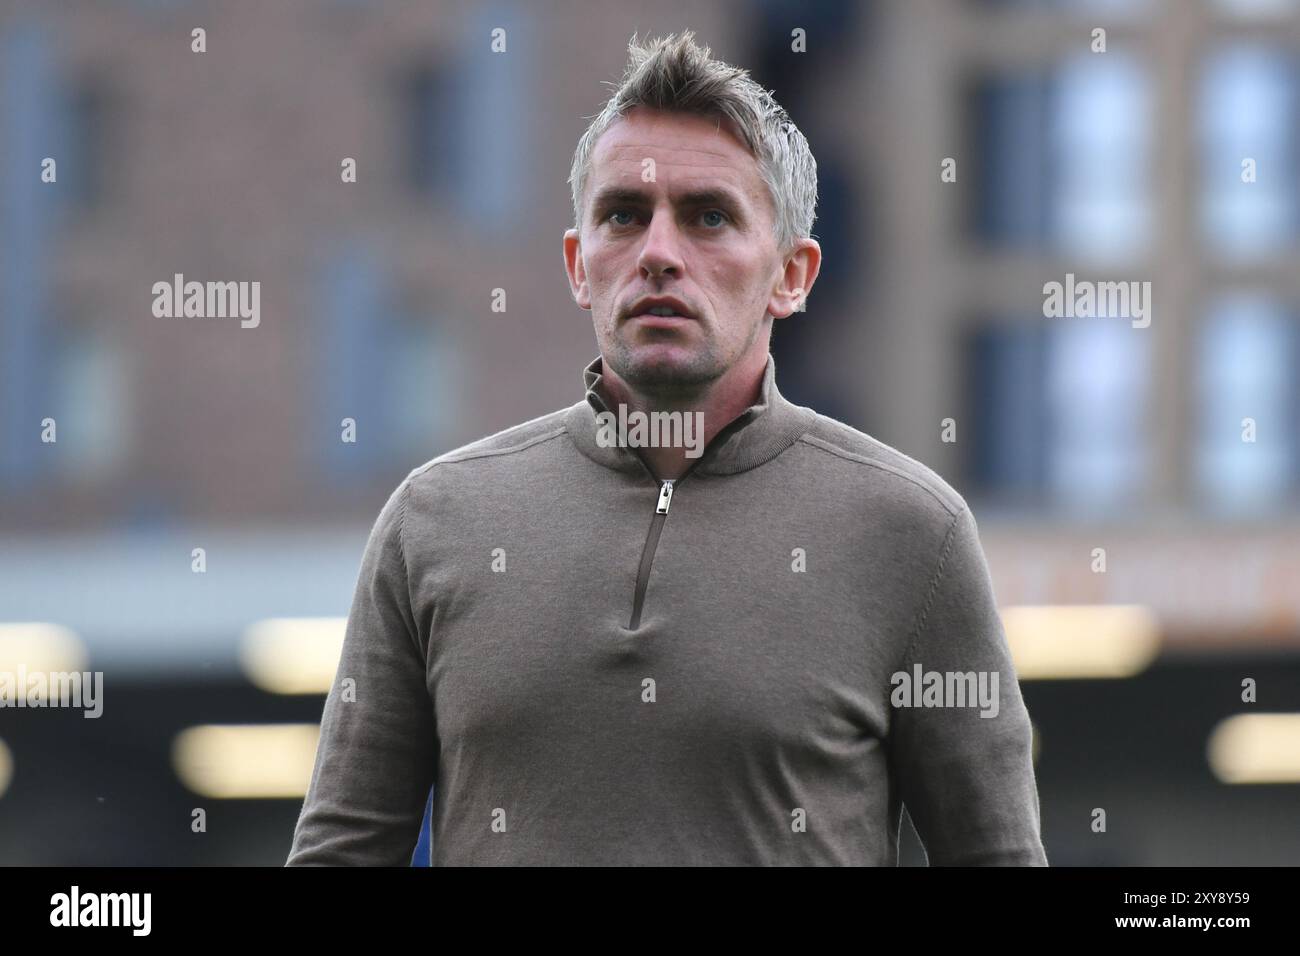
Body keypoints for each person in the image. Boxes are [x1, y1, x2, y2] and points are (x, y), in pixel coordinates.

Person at [286, 30, 1047, 866]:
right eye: (623, 216)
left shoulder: (911, 535)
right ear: (580, 266)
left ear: (792, 275)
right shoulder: (434, 523)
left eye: (708, 218)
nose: (657, 254)